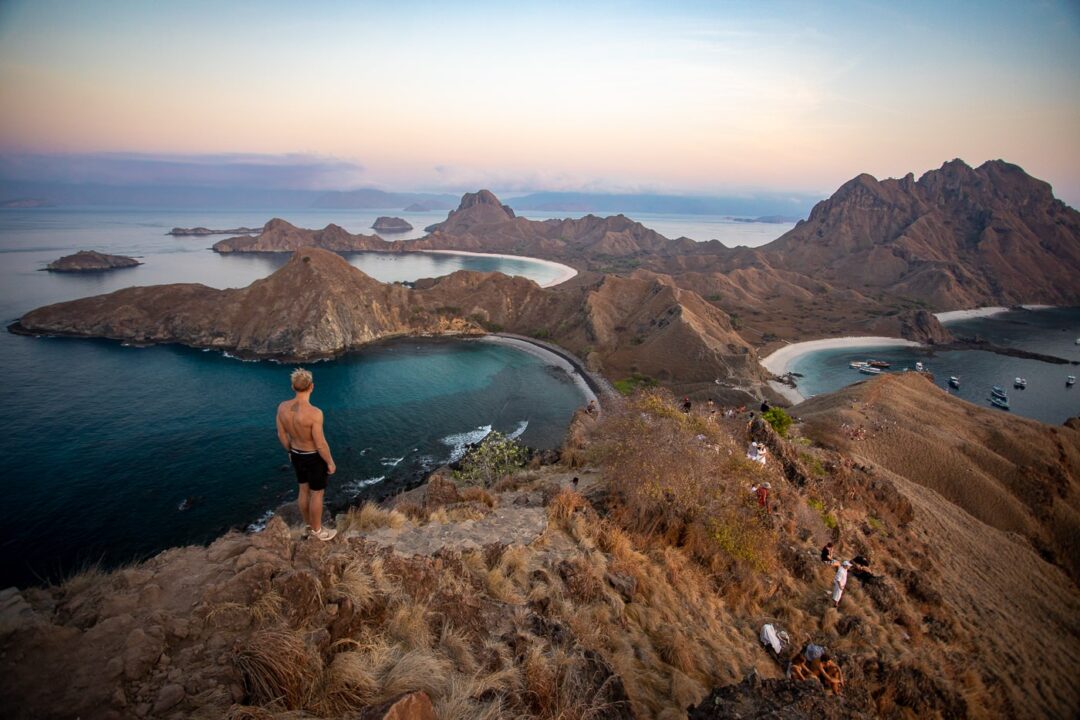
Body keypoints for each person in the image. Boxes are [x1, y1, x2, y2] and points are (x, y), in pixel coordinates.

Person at [277, 368, 337, 541]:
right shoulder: (315, 413)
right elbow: (320, 443)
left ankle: (308, 526)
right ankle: (317, 532)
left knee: (303, 490)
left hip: (296, 454)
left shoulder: (282, 407)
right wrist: (330, 462)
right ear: (311, 387)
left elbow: (281, 434)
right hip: (313, 457)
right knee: (317, 494)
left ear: (292, 387)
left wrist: (290, 451)